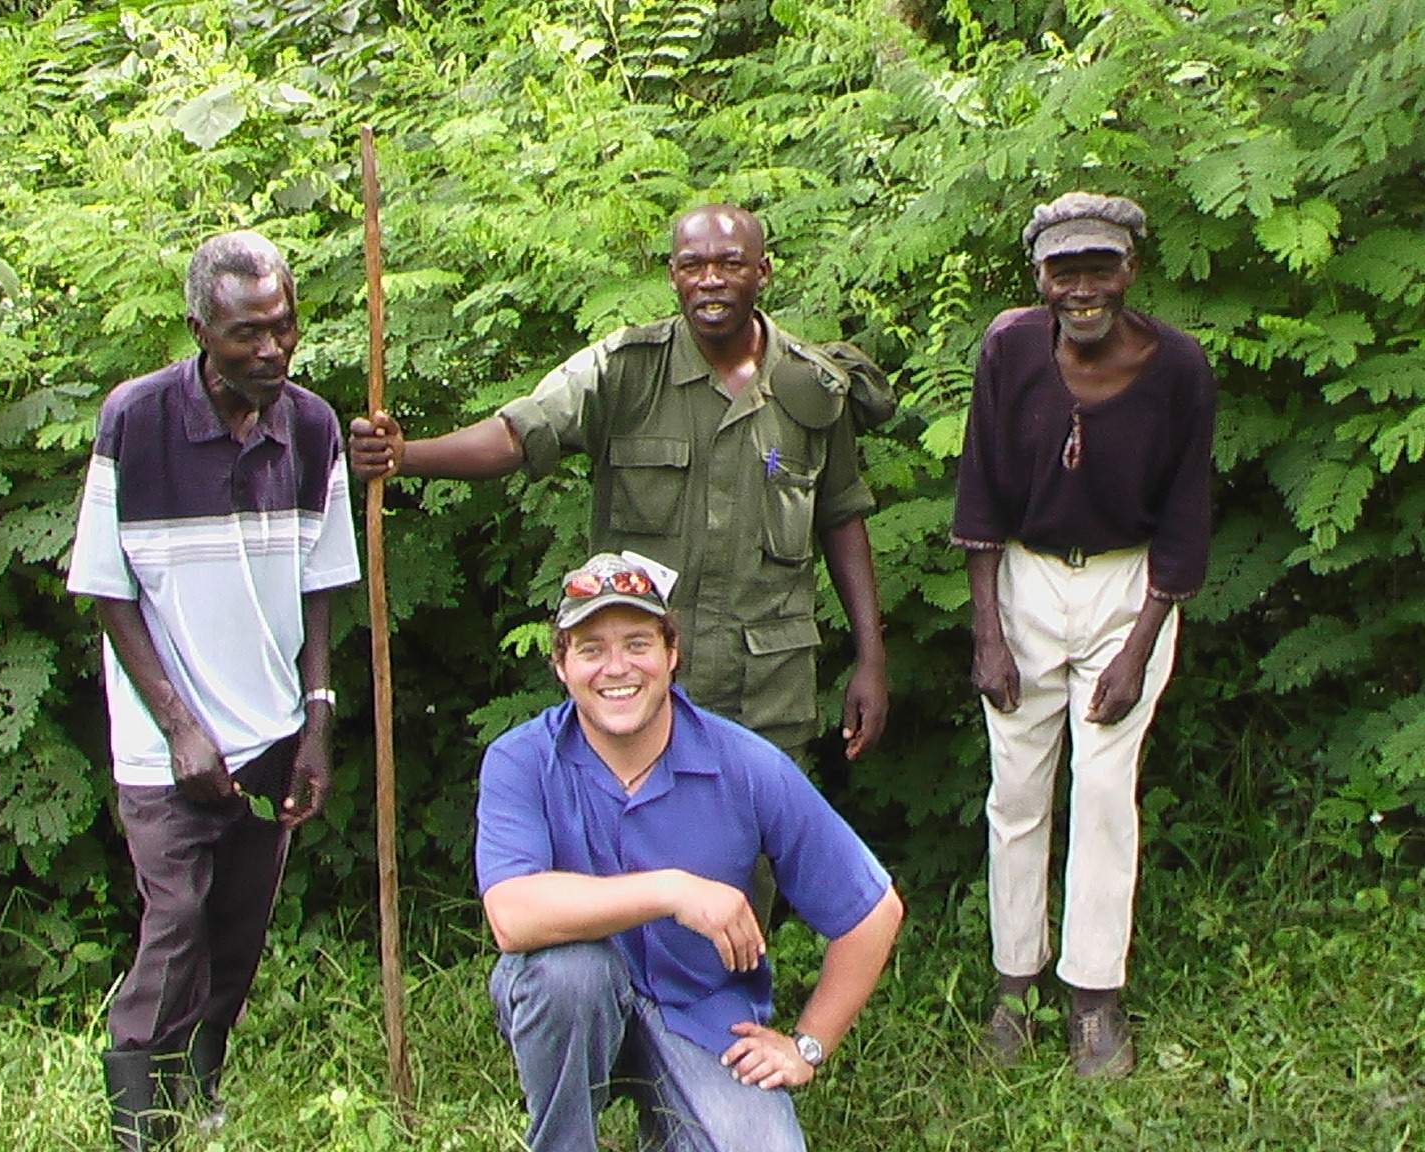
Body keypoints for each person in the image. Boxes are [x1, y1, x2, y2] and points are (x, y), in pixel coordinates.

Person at [349, 203, 892, 767]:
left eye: (730, 263)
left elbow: (841, 518)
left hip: (767, 696)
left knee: (754, 850)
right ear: (672, 274)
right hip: (635, 685)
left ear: (763, 271)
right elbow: (519, 433)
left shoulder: (810, 387)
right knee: (632, 846)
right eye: (692, 265)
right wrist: (405, 456)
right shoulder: (624, 370)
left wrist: (871, 659)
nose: (710, 280)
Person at [67, 230, 360, 1148]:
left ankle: (202, 1084)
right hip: (167, 745)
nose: (270, 349)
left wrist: (316, 721)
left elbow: (322, 585)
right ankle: (136, 1119)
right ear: (200, 329)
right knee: (178, 921)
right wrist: (181, 725)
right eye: (246, 335)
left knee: (237, 928)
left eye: (283, 327)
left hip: (271, 729)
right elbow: (108, 589)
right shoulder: (136, 420)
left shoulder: (311, 427)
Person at [477, 552, 903, 1151]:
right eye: (591, 648)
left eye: (637, 643)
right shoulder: (519, 760)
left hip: (705, 1014)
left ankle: (673, 1120)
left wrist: (807, 1045)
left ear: (672, 653)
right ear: (561, 665)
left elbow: (874, 910)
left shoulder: (745, 764)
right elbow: (511, 916)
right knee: (570, 977)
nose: (616, 667)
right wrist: (672, 890)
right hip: (574, 1001)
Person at [951, 192, 1215, 1078]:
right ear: (1040, 277)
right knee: (1016, 790)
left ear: (1131, 269)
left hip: (1126, 590)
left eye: (1100, 268)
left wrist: (1141, 643)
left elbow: (1185, 516)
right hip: (1025, 580)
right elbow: (981, 490)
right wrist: (988, 631)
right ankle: (1014, 988)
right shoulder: (1009, 348)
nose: (1084, 289)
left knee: (1104, 795)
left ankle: (1094, 998)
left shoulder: (1179, 367)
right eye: (1065, 271)